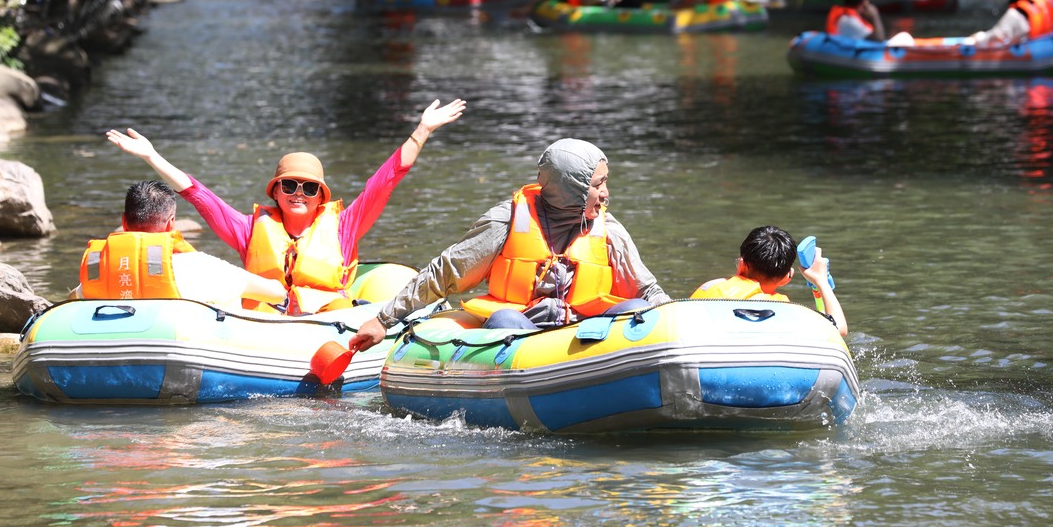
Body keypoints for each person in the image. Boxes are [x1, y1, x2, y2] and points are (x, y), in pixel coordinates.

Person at [104, 98, 466, 316]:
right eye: (289, 185)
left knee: (340, 308)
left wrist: (422, 131)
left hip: (328, 319)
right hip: (264, 324)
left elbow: (384, 181)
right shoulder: (249, 229)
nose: (299, 193)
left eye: (309, 188)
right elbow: (199, 195)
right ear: (275, 191)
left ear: (321, 196)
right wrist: (152, 156)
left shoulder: (344, 225)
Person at [347, 138, 671, 351]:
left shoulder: (608, 228)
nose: (606, 194)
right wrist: (384, 320)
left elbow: (646, 290)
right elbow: (444, 273)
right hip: (522, 334)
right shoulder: (505, 221)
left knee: (638, 311)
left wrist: (679, 321)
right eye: (598, 185)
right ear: (571, 187)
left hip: (585, 335)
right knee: (504, 320)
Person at [71, 180, 287, 309]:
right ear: (171, 223)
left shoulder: (99, 270)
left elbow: (72, 299)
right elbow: (276, 293)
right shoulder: (201, 267)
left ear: (124, 222)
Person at [691, 225, 848, 337]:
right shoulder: (781, 308)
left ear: (741, 264)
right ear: (787, 276)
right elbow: (839, 329)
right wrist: (821, 283)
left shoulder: (710, 288)